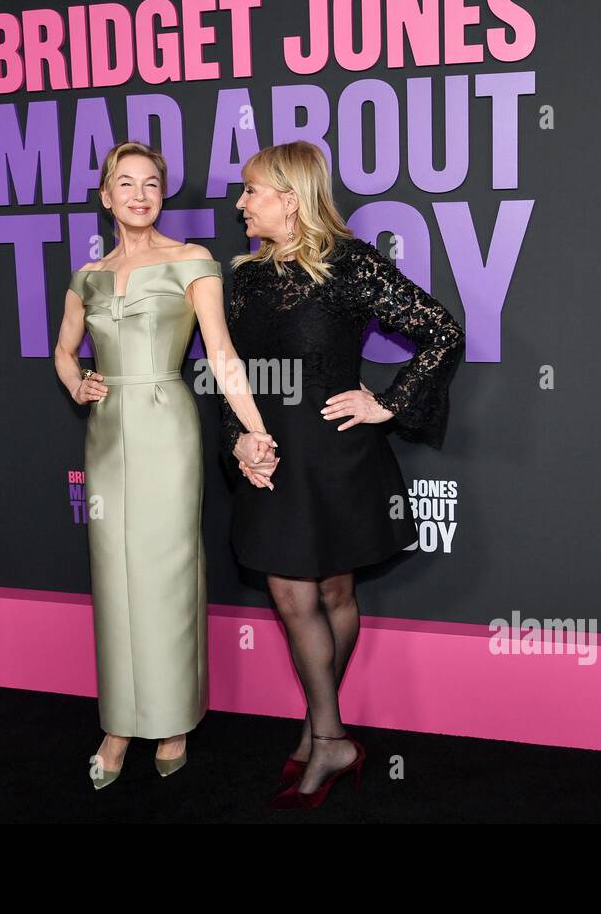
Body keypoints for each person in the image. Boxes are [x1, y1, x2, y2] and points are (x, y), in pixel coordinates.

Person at [220, 140, 465, 809]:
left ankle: (315, 728)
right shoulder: (243, 279)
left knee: (333, 593)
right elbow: (229, 376)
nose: (240, 203)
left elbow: (442, 329)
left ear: (290, 200)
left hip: (336, 456)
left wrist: (386, 402)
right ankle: (331, 736)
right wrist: (239, 439)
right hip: (272, 461)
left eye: (251, 191)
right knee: (291, 594)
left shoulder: (350, 265)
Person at [55, 141, 273, 789]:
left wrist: (257, 431)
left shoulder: (192, 261)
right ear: (105, 195)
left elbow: (223, 353)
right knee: (115, 575)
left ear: (161, 193)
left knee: (169, 569)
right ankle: (119, 722)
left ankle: (174, 716)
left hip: (166, 422)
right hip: (106, 434)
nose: (140, 194)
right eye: (126, 183)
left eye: (151, 183)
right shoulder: (87, 275)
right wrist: (76, 382)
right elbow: (64, 351)